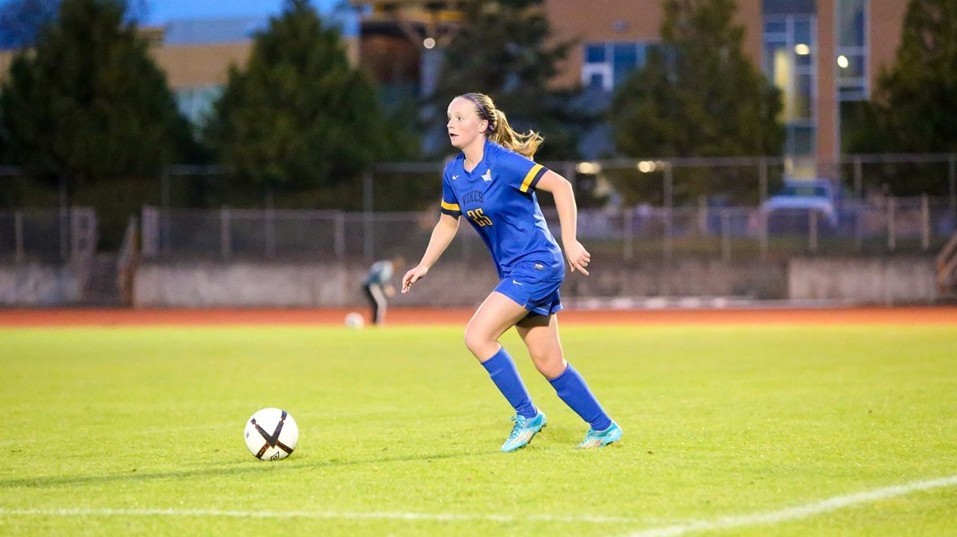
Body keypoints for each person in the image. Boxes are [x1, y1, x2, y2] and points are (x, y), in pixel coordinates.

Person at [401, 92, 622, 452]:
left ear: (483, 125)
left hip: (537, 263)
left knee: (477, 336)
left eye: (459, 118)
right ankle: (603, 426)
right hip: (516, 270)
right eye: (449, 118)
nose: (450, 124)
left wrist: (570, 241)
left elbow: (561, 186)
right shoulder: (454, 172)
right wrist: (423, 265)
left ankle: (528, 415)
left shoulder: (503, 163)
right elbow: (446, 222)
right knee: (549, 363)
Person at [363, 257, 402, 325]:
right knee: (380, 303)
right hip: (371, 285)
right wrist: (387, 287)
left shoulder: (382, 264)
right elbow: (382, 278)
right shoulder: (388, 267)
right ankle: (377, 322)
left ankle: (375, 322)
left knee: (378, 303)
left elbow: (372, 271)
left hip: (368, 284)